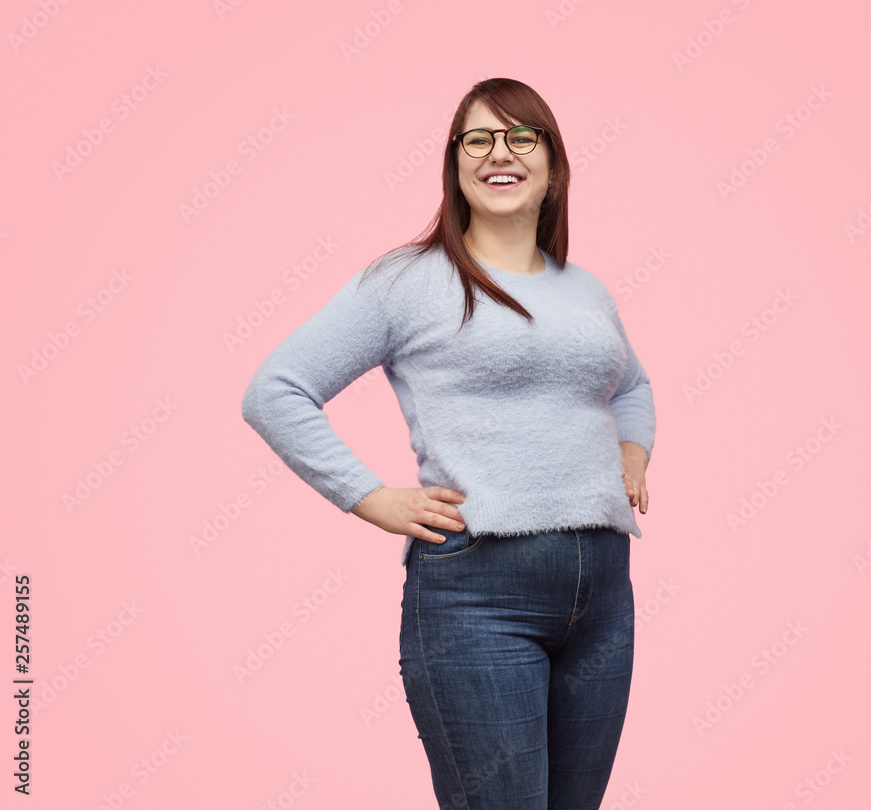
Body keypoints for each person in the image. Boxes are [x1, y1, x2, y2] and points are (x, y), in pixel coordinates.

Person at [241, 77, 655, 810]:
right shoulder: (406, 282)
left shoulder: (586, 290)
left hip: (605, 602)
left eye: (521, 136)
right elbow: (277, 389)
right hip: (478, 597)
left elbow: (630, 387)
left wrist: (633, 451)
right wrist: (369, 498)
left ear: (553, 166)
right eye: (479, 138)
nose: (501, 153)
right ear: (455, 163)